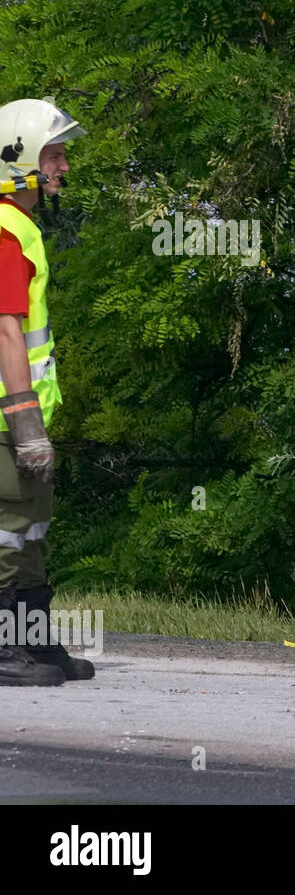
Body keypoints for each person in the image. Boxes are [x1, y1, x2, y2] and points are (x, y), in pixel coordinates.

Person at [0, 98, 93, 686]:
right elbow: (6, 328)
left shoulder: (23, 227)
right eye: (54, 154)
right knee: (7, 529)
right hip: (7, 419)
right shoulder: (6, 232)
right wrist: (25, 423)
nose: (63, 166)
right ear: (22, 160)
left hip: (17, 418)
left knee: (32, 528)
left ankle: (30, 639)